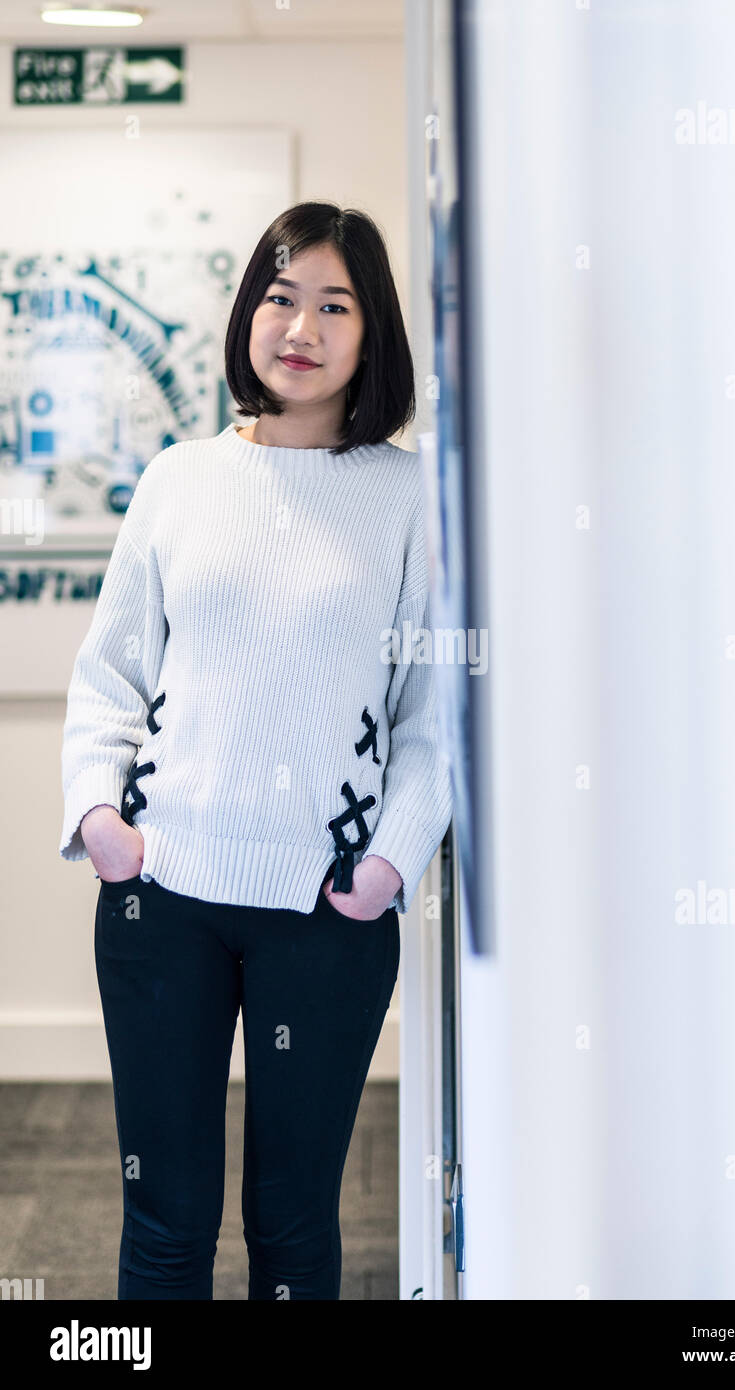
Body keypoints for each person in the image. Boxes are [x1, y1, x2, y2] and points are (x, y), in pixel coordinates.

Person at [58, 201, 453, 1300]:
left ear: (373, 335)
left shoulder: (408, 494)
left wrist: (384, 868)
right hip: (162, 897)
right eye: (281, 298)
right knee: (167, 1225)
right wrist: (102, 820)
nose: (302, 326)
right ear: (248, 315)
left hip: (323, 915)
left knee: (289, 1228)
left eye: (335, 304)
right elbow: (109, 676)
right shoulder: (181, 479)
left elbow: (429, 714)